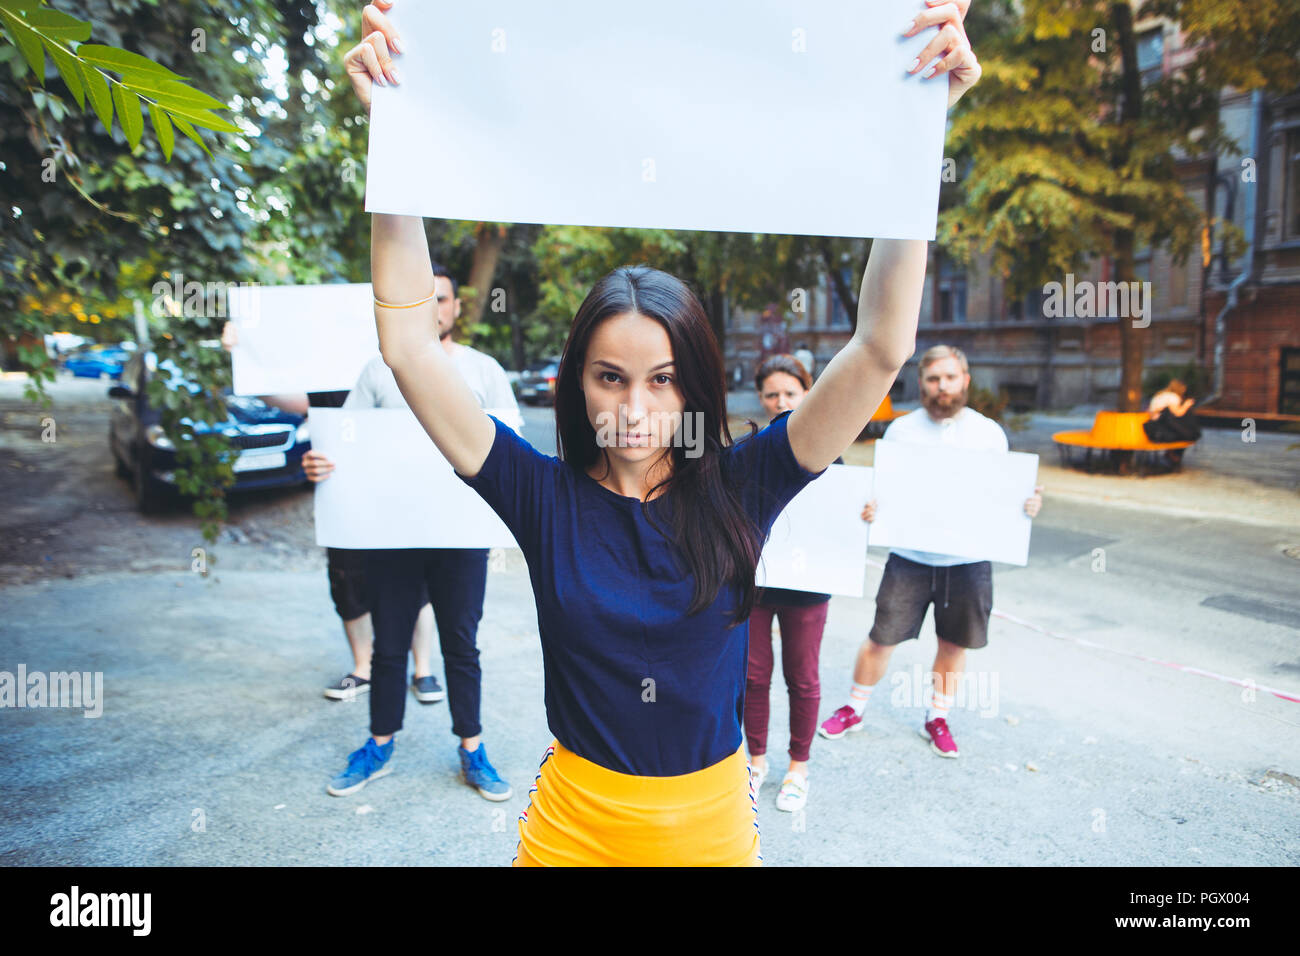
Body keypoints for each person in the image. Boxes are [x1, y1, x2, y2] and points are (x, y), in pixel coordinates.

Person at [344, 0, 982, 865]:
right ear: (577, 384)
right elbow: (410, 344)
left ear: (696, 386)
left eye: (663, 379)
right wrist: (400, 145)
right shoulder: (539, 495)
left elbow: (880, 346)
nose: (635, 408)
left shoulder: (746, 482)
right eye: (610, 377)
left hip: (712, 833)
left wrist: (920, 126)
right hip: (569, 833)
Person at [313, 264, 525, 802]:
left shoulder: (483, 370)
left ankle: (472, 749)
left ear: (455, 308)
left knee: (462, 645)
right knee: (389, 646)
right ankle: (378, 746)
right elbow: (347, 442)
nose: (433, 308)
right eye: (422, 298)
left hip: (460, 533)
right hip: (392, 534)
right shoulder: (378, 372)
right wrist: (321, 462)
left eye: (443, 299)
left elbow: (512, 444)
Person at [818, 345, 1043, 758]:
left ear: (966, 381)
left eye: (950, 378)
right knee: (881, 638)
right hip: (910, 559)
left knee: (953, 644)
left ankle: (937, 718)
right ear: (921, 384)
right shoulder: (902, 431)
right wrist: (873, 509)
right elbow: (884, 495)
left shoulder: (989, 434)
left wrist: (1026, 505)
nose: (942, 387)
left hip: (968, 561)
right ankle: (854, 707)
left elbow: (1005, 496)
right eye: (933, 379)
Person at [220, 321, 439, 705]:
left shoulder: (412, 372)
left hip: (406, 499)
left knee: (417, 583)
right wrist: (240, 353)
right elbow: (277, 395)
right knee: (347, 578)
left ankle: (423, 669)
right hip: (345, 501)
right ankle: (363, 669)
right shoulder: (329, 382)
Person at [745, 355, 843, 814]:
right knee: (751, 675)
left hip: (808, 584)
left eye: (790, 392)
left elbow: (840, 513)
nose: (781, 401)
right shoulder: (748, 445)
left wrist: (862, 512)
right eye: (771, 393)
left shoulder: (829, 446)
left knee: (801, 677)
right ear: (760, 398)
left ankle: (798, 767)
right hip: (756, 582)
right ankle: (756, 760)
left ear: (806, 393)